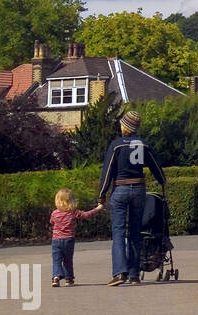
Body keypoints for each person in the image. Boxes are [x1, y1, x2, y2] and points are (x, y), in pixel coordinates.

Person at [98, 109, 166, 286]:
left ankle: (120, 273)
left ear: (125, 126)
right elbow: (156, 166)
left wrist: (101, 195)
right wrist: (162, 180)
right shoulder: (144, 145)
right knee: (135, 232)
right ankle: (135, 274)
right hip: (138, 189)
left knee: (119, 232)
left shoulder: (116, 145)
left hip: (120, 189)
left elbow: (107, 171)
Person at [50, 189, 103, 287]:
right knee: (68, 260)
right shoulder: (73, 212)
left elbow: (52, 222)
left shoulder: (54, 213)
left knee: (56, 260)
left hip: (56, 240)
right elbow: (86, 215)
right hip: (69, 239)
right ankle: (69, 279)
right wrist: (97, 209)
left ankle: (56, 277)